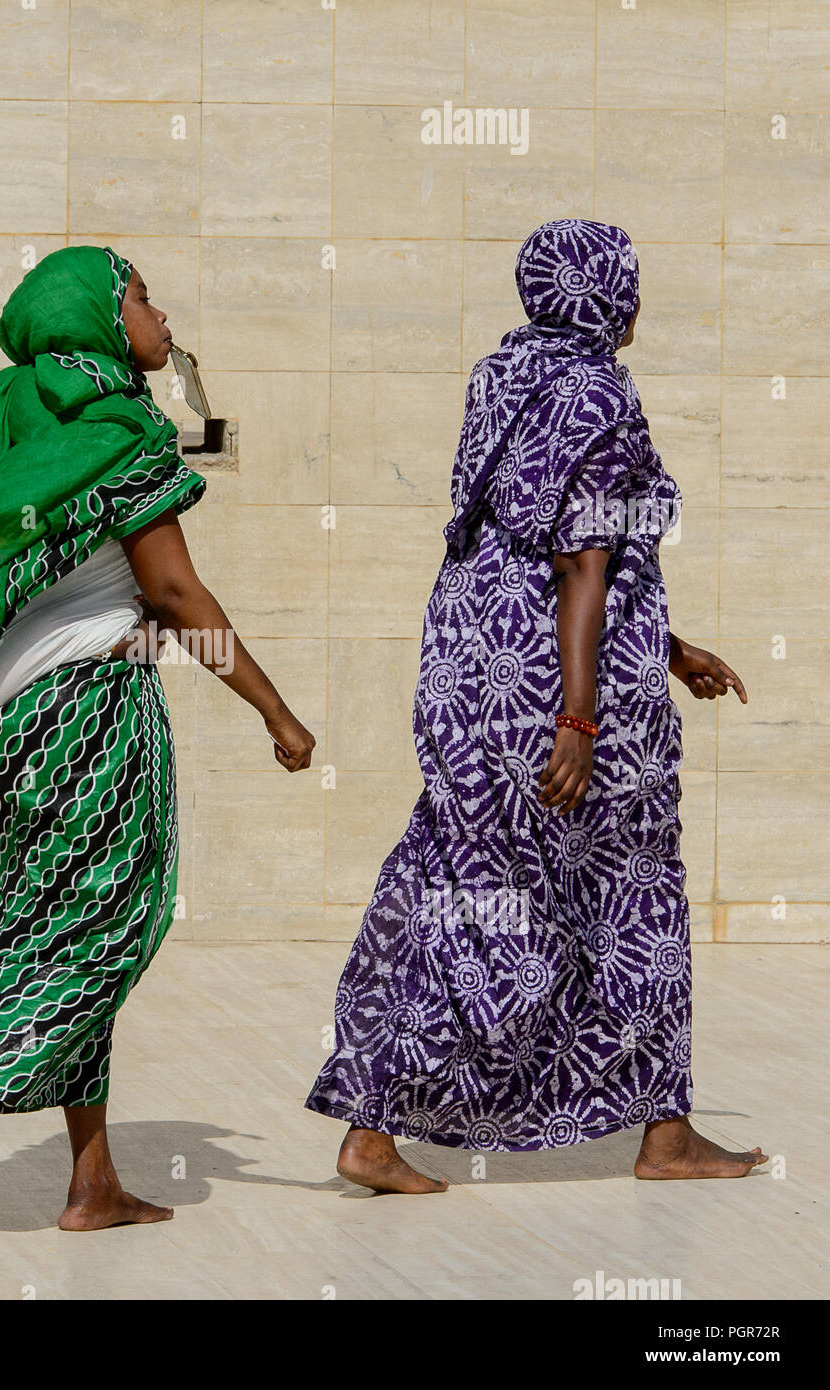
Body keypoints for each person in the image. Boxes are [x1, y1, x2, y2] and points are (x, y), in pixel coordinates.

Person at [0, 245, 316, 1238]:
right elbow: (173, 592)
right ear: (94, 315)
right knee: (112, 919)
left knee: (31, 914)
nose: (160, 315)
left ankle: (92, 1181)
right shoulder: (123, 431)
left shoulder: (7, 406)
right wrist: (273, 708)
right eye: (140, 296)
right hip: (86, 703)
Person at [307, 219, 766, 1191]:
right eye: (626, 282)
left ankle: (373, 1129)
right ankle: (665, 1136)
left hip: (473, 680)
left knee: (458, 892)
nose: (635, 300)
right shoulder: (596, 388)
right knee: (632, 901)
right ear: (599, 295)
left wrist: (670, 648)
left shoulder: (499, 377)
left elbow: (525, 536)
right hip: (560, 695)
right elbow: (581, 558)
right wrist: (580, 717)